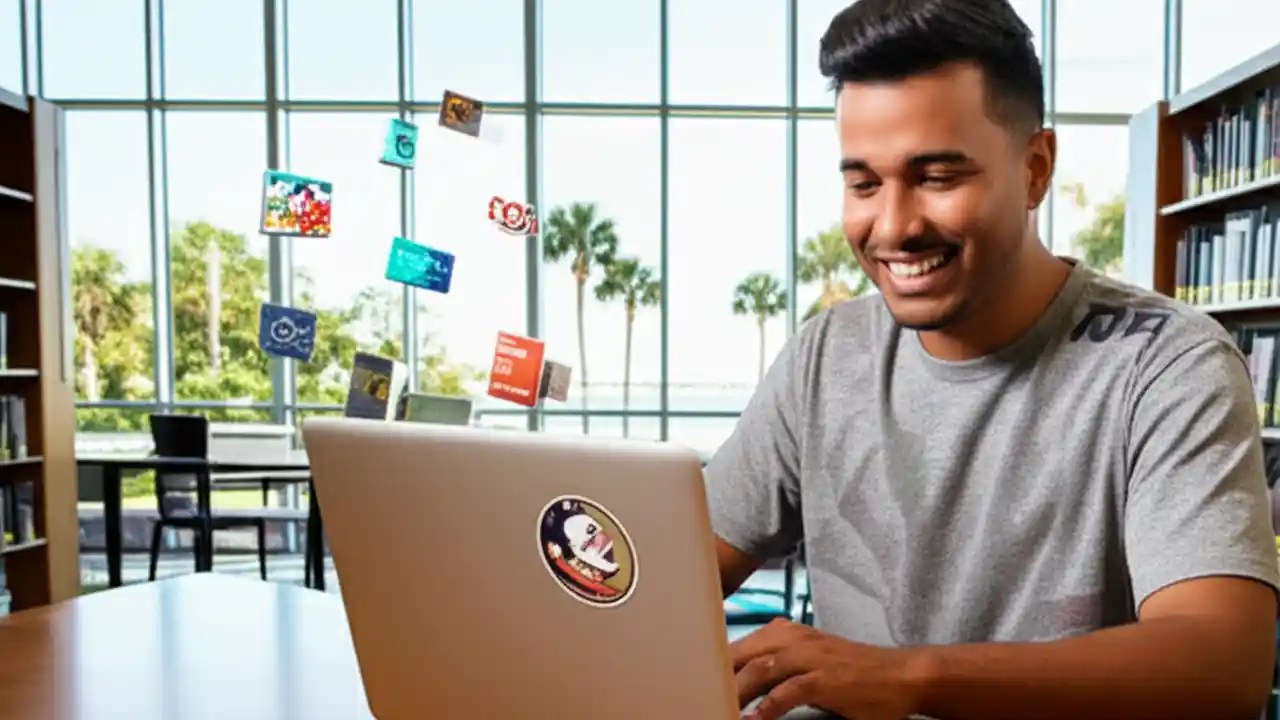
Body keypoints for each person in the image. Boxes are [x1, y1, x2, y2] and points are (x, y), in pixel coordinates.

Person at [705, 1, 1280, 718]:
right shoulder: (826, 355)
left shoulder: (1169, 365)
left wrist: (906, 678)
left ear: (1036, 168)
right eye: (863, 184)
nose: (893, 226)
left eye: (938, 176)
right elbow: (667, 576)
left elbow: (1222, 667)